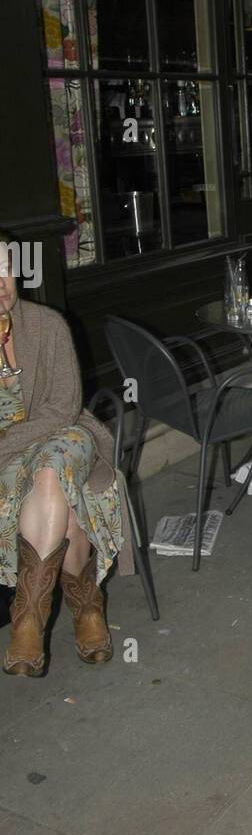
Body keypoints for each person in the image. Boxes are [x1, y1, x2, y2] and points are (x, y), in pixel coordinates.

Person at [0, 230, 134, 676]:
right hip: (13, 462)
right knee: (60, 497)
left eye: (4, 267)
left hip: (70, 438)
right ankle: (88, 610)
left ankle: (28, 621)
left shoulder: (46, 324)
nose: (0, 281)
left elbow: (62, 408)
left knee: (54, 467)